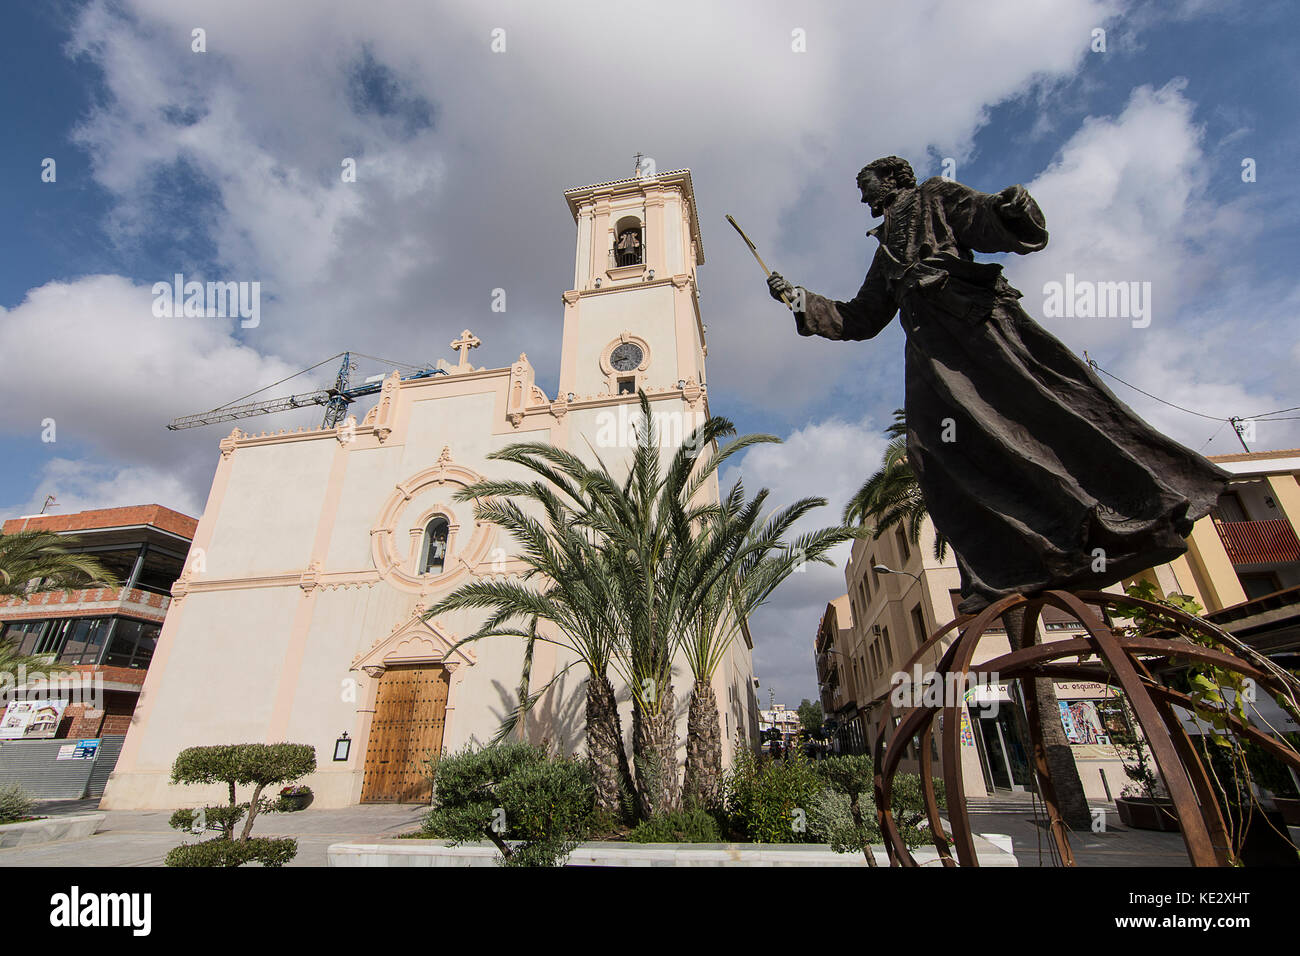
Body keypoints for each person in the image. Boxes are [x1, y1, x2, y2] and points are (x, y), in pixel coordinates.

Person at [769, 157, 1228, 613]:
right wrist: (798, 298)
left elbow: (983, 217)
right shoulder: (884, 249)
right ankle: (1005, 568)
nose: (862, 197)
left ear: (892, 180)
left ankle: (1121, 516)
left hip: (973, 325)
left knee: (1032, 411)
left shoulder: (933, 196)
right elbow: (861, 317)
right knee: (931, 452)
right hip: (930, 352)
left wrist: (1010, 209)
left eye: (866, 186)